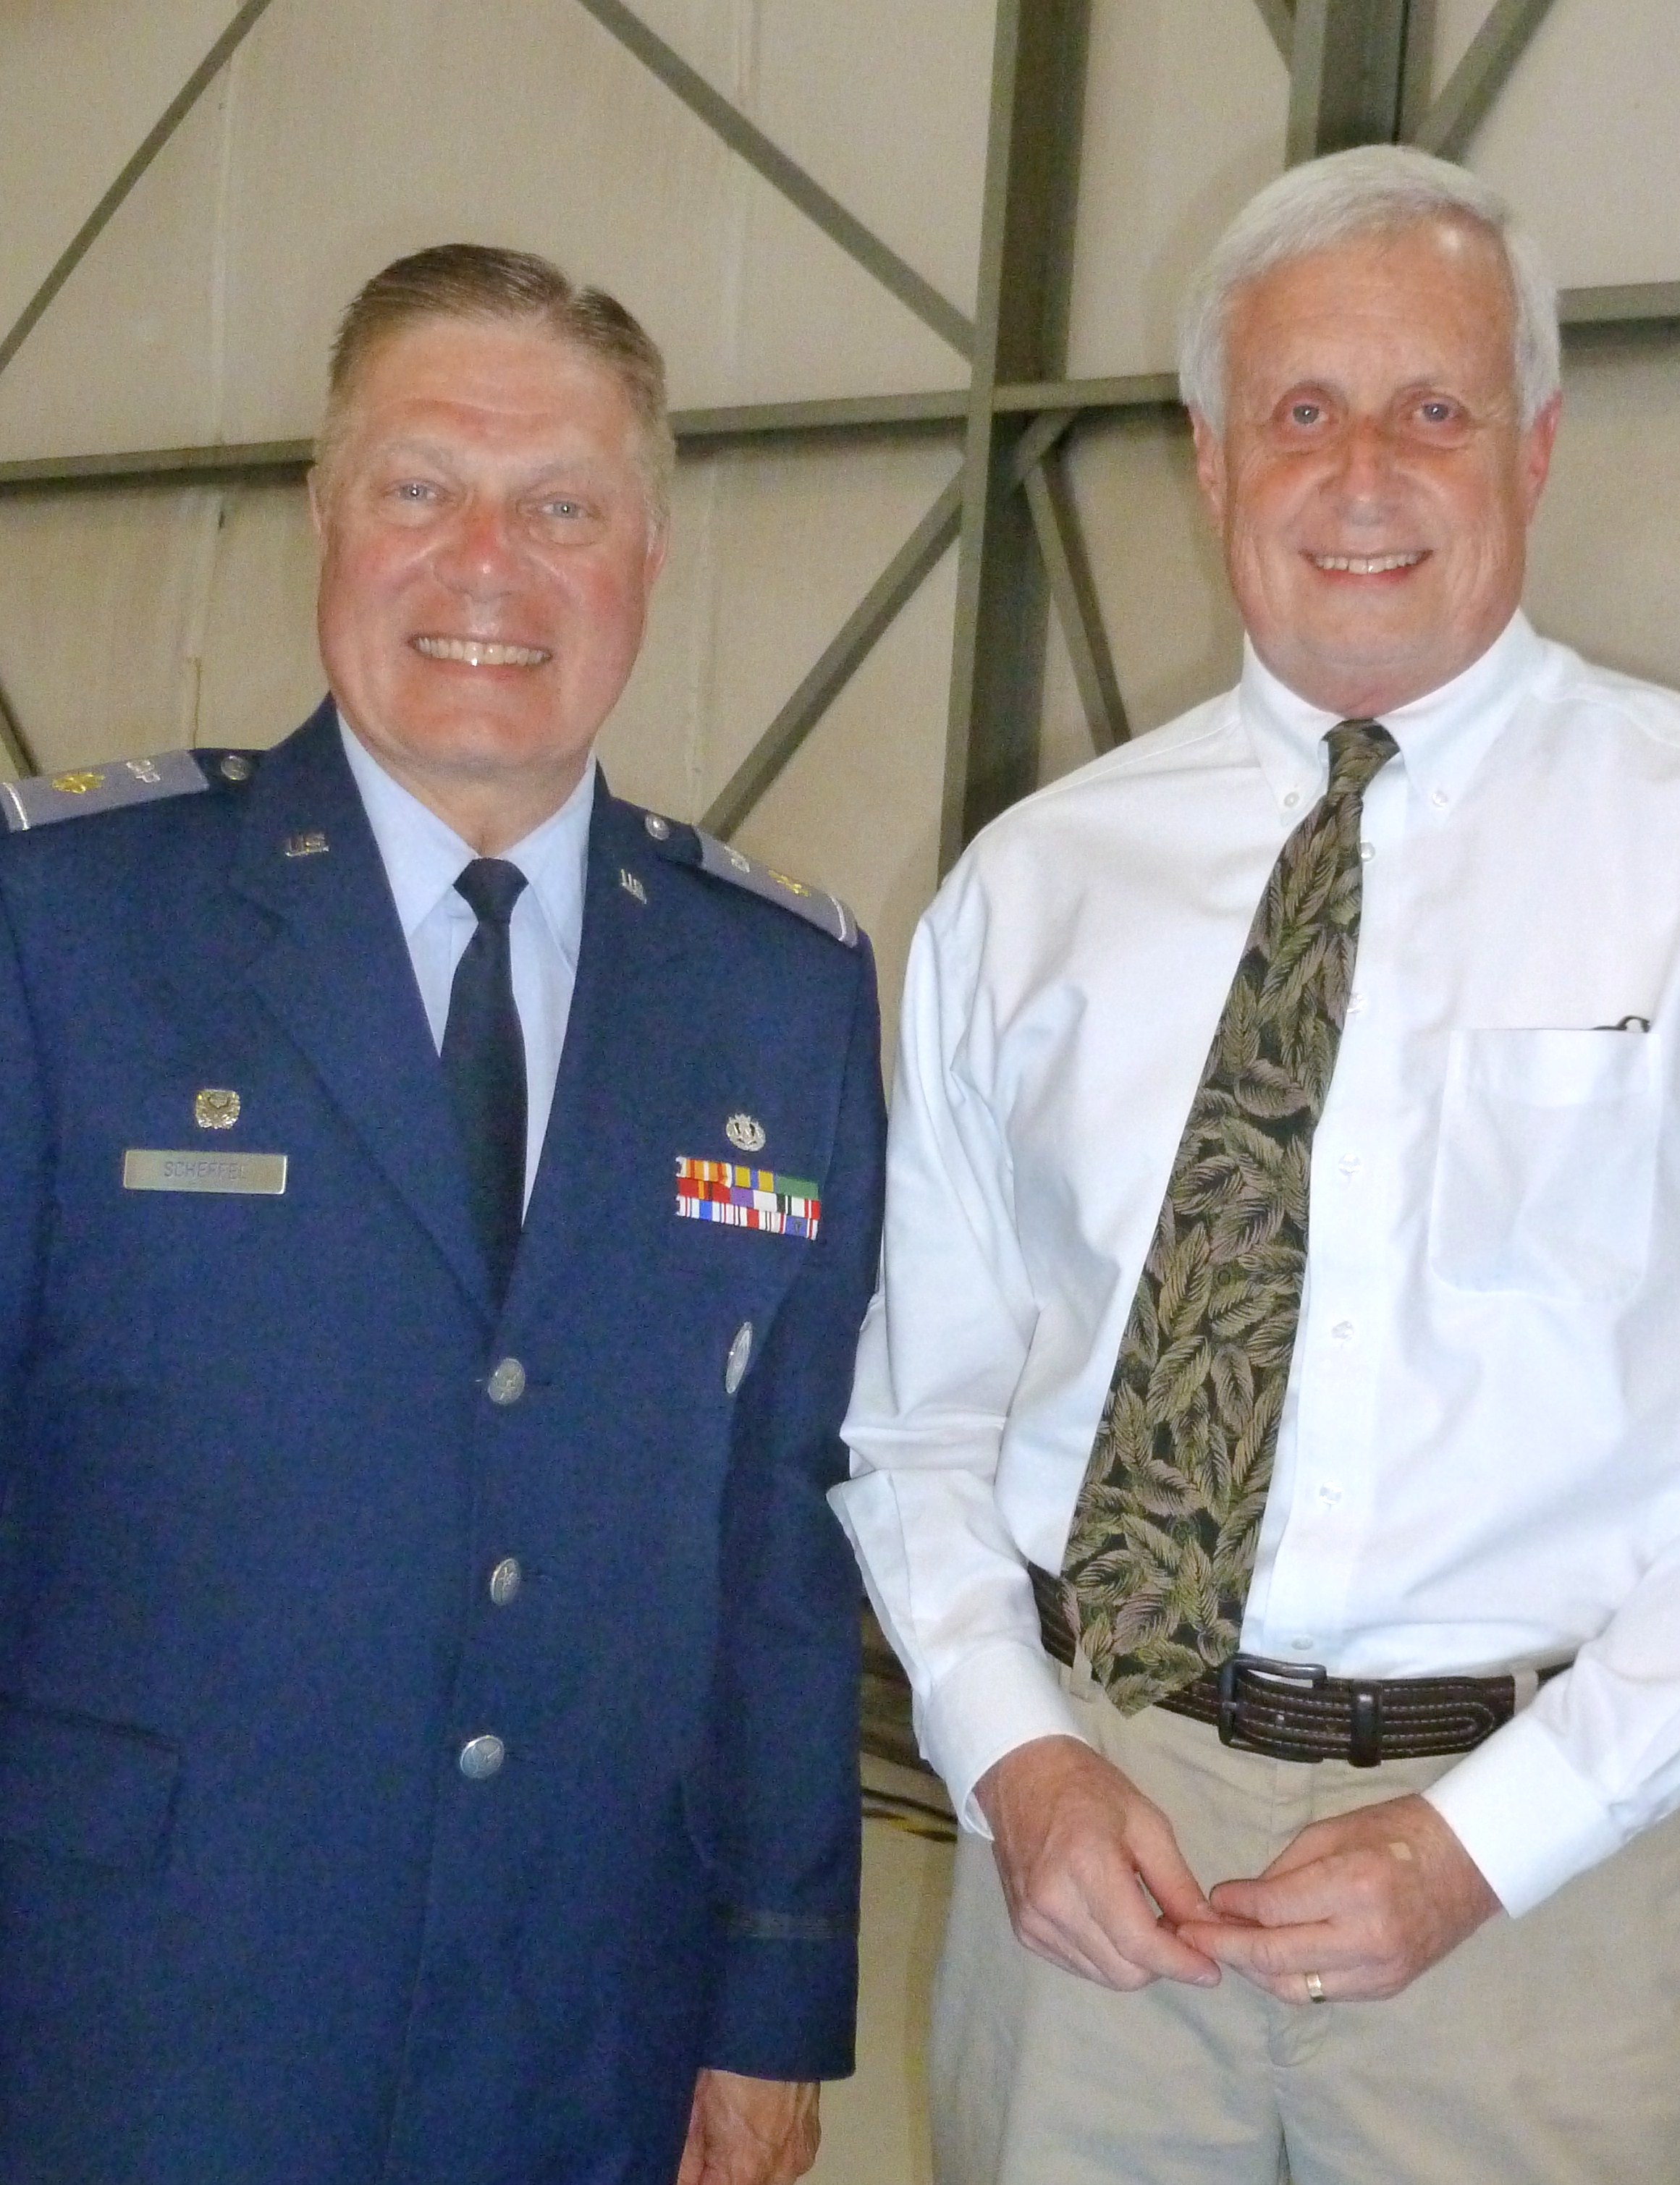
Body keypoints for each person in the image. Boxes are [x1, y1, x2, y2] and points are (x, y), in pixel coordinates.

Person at [834, 145, 1680, 2185]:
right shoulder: (1034, 888)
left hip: (1546, 1886)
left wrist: (1482, 1838)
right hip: (1092, 1871)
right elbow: (916, 1423)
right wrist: (1015, 1761)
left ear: (1533, 444)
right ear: (1204, 455)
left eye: (1428, 408)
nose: (1359, 475)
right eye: (1297, 411)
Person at [0, 244, 884, 2185]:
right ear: (325, 520)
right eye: (419, 488)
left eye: (561, 505)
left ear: (648, 556)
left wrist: (768, 1999)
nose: (488, 561)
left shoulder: (780, 992)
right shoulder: (67, 931)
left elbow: (786, 1544)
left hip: (587, 2035)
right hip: (122, 2023)